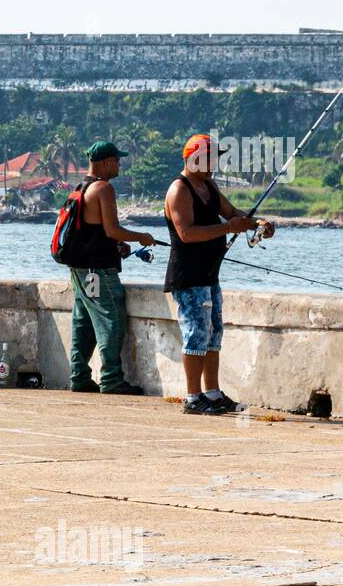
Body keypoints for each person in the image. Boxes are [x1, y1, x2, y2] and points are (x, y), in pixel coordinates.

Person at [163, 133, 274, 414]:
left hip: (210, 274)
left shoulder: (208, 186)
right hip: (188, 276)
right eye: (210, 158)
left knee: (213, 333)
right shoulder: (179, 190)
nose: (214, 164)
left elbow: (231, 212)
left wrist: (256, 224)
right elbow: (186, 234)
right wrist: (228, 228)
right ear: (195, 158)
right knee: (196, 334)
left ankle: (212, 393)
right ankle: (192, 397)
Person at [65, 141, 156, 394]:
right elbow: (112, 229)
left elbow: (96, 231)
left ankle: (79, 377)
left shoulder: (81, 187)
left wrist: (117, 244)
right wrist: (141, 237)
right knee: (111, 318)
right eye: (117, 160)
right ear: (105, 162)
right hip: (97, 271)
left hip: (80, 269)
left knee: (83, 322)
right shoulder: (104, 188)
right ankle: (112, 379)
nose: (119, 165)